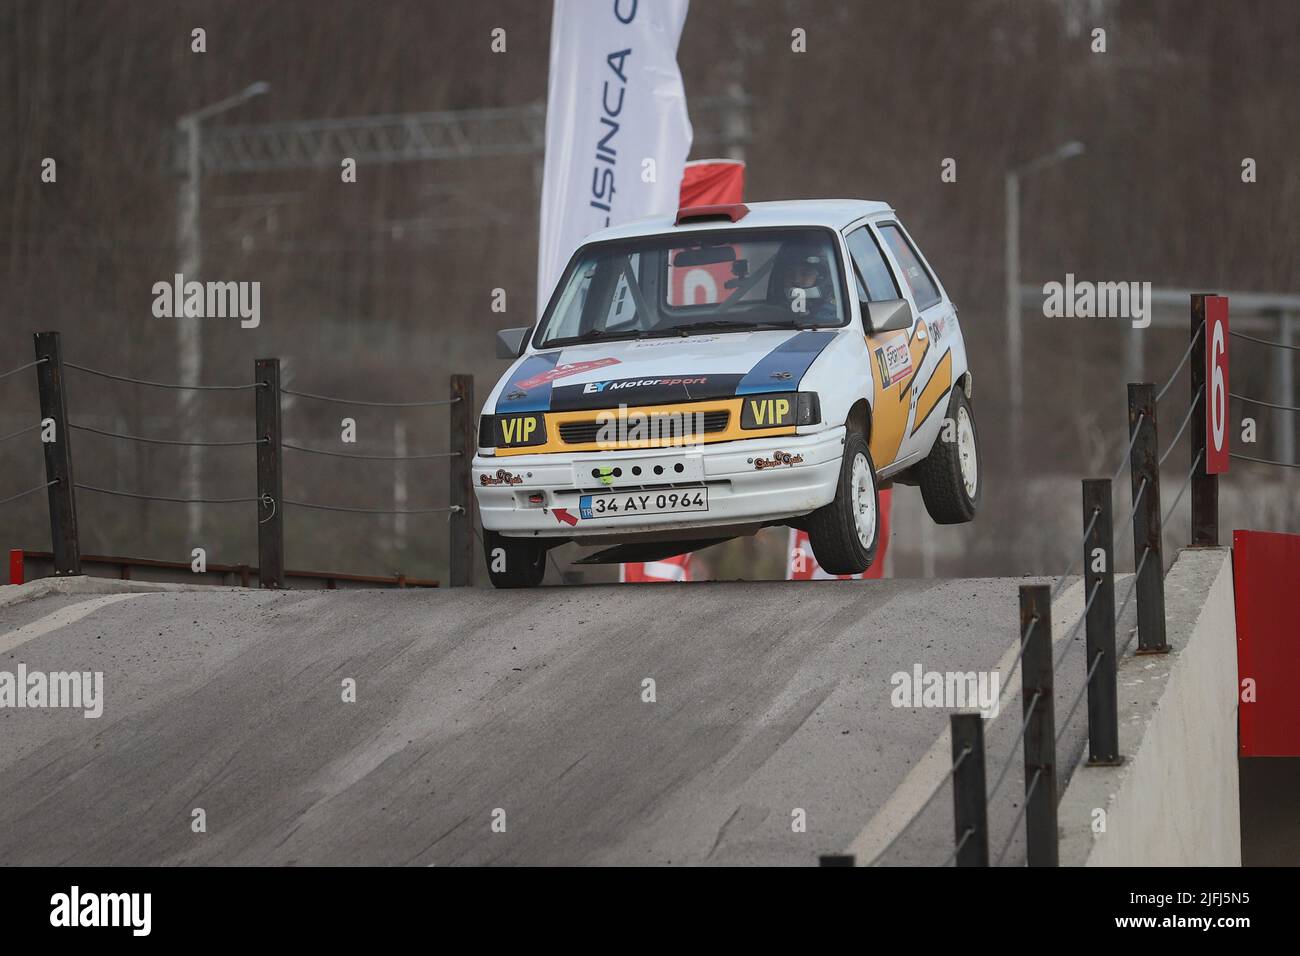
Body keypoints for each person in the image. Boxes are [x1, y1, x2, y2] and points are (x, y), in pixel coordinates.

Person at [782, 247, 839, 324]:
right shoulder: (769, 312)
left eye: (805, 274)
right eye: (790, 273)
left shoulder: (833, 315)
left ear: (820, 279)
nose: (796, 280)